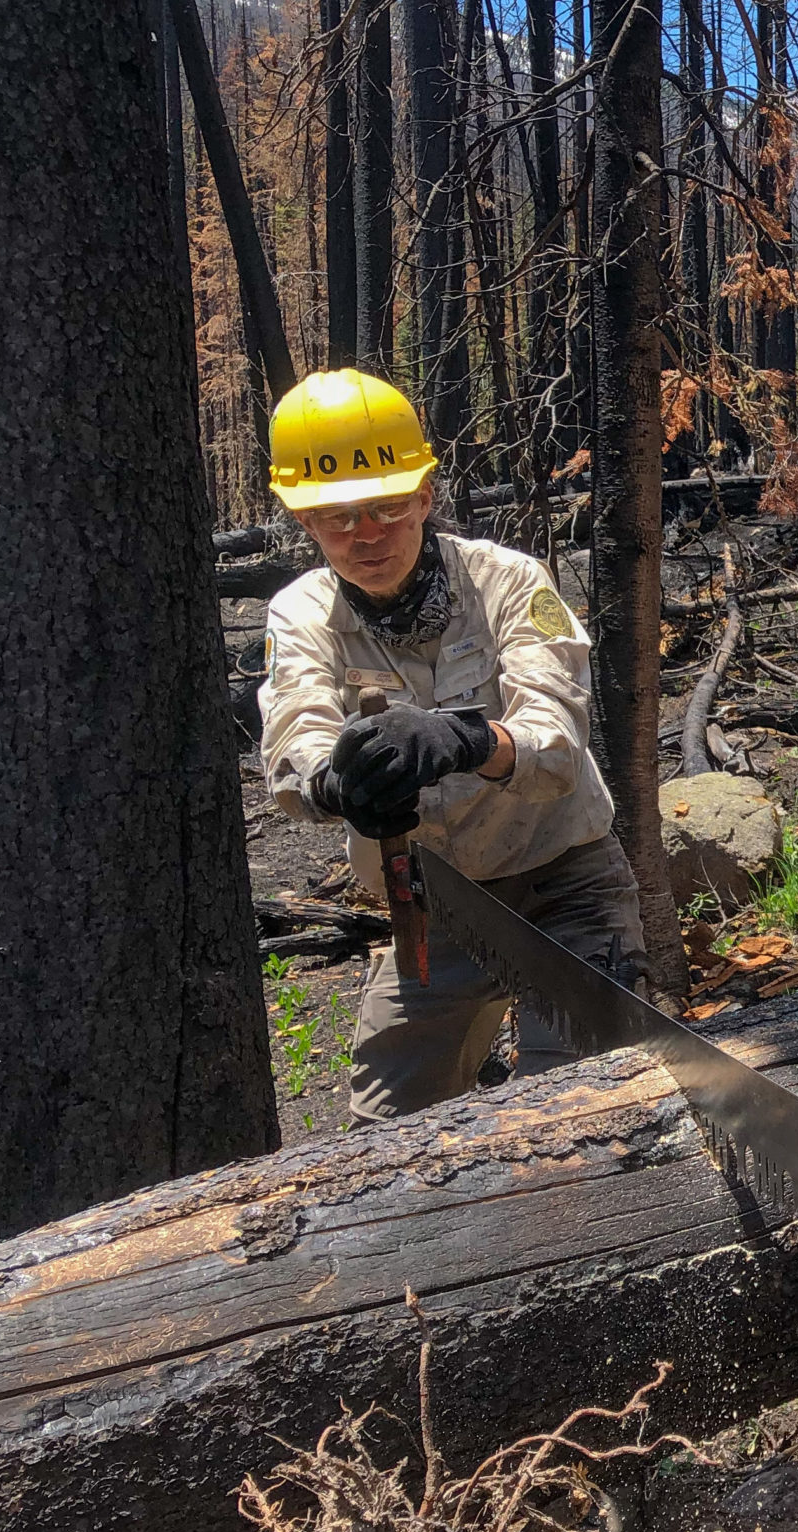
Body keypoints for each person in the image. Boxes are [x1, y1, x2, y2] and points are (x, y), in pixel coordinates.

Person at [258, 368, 645, 1122]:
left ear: (426, 496)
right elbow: (294, 734)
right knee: (380, 1137)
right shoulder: (299, 614)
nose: (366, 534)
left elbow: (558, 747)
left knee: (579, 1116)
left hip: (563, 884)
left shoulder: (507, 582)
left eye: (386, 507)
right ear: (304, 521)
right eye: (337, 517)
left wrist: (465, 738)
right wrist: (336, 785)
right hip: (428, 904)